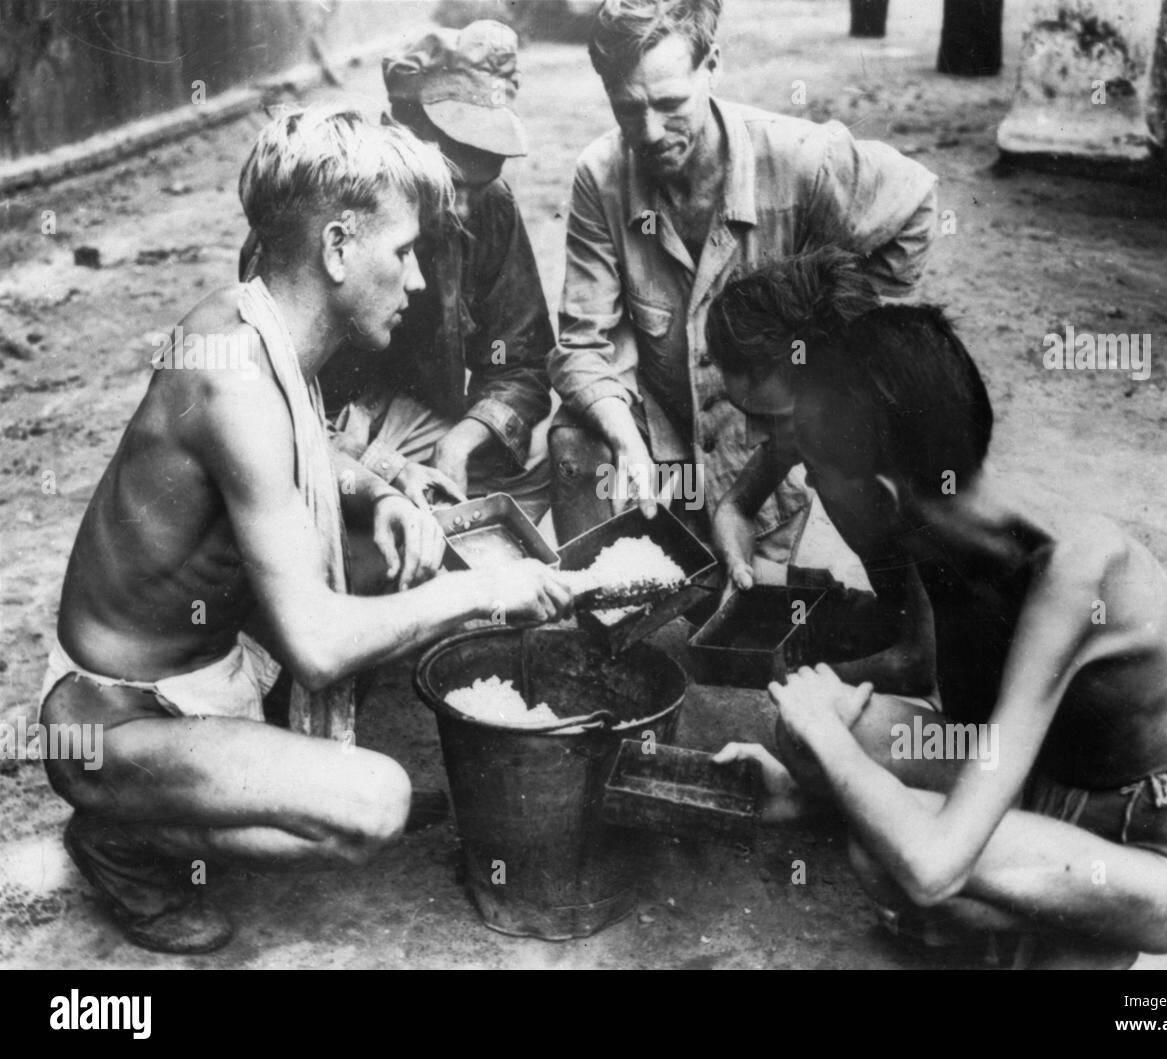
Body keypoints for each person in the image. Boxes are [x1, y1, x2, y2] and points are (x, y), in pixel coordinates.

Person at [40, 108, 573, 955]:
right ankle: (124, 834)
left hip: (197, 665)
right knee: (373, 806)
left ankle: (207, 784)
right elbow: (320, 647)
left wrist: (378, 489)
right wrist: (484, 591)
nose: (420, 282)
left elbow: (298, 451)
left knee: (387, 561)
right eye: (402, 252)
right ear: (335, 248)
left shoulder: (247, 322)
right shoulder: (235, 384)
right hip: (116, 720)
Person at [708, 265, 1167, 967]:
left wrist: (834, 753)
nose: (804, 477)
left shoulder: (1076, 570)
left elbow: (932, 863)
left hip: (1160, 851)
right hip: (1054, 780)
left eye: (813, 464)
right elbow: (985, 738)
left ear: (880, 490)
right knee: (842, 768)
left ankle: (1069, 926)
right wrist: (806, 782)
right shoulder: (948, 523)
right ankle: (1041, 912)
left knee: (899, 853)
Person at [546, 0, 937, 582]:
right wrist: (625, 439)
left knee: (748, 606)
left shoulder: (804, 159)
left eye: (671, 105)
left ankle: (898, 622)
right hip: (664, 444)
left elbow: (917, 203)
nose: (650, 134)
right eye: (628, 110)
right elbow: (582, 346)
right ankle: (599, 622)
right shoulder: (600, 175)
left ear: (714, 66)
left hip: (763, 448)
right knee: (576, 440)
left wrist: (833, 335)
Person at [244, 21, 555, 532]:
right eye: (453, 177)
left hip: (419, 419)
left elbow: (521, 361)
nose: (464, 204)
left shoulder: (487, 206)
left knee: (541, 445)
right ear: (402, 129)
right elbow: (274, 412)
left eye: (484, 175)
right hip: (327, 425)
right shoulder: (327, 204)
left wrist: (465, 437)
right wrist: (386, 470)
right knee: (311, 511)